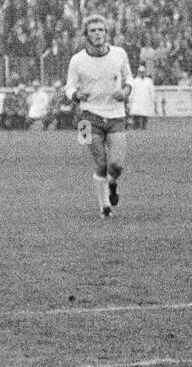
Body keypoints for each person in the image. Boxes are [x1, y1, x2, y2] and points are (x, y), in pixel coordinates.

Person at [65, 15, 133, 218]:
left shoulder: (119, 54)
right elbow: (69, 87)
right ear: (86, 35)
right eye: (93, 30)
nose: (98, 34)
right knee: (101, 163)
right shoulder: (77, 60)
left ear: (106, 33)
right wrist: (76, 95)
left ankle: (112, 184)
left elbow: (129, 78)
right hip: (86, 118)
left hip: (116, 115)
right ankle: (104, 207)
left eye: (101, 30)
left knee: (117, 165)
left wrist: (126, 91)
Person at [128, 64, 156, 129]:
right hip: (136, 100)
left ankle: (143, 126)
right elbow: (132, 91)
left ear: (145, 72)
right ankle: (135, 126)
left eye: (143, 72)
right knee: (136, 114)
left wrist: (153, 99)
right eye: (140, 72)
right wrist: (130, 99)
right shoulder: (135, 81)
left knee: (145, 114)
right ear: (138, 73)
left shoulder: (149, 81)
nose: (141, 73)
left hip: (146, 100)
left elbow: (152, 91)